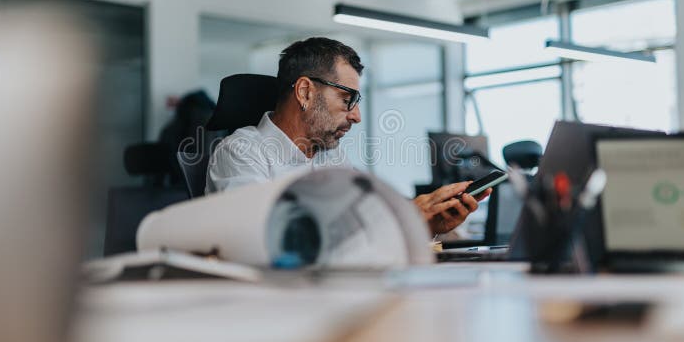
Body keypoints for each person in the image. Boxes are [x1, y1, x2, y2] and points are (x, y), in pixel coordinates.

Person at [206, 37, 490, 236]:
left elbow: (365, 229)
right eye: (347, 99)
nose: (356, 116)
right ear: (305, 92)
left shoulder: (332, 157)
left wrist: (426, 222)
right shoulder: (241, 152)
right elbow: (271, 236)